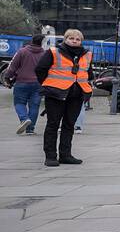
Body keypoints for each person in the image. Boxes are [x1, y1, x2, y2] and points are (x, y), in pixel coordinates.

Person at [35, 29, 93, 167]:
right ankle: (50, 156)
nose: (74, 41)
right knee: (53, 125)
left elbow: (88, 73)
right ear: (65, 39)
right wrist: (48, 84)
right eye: (71, 38)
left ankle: (65, 155)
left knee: (69, 125)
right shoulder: (54, 52)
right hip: (56, 94)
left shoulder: (87, 54)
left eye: (78, 39)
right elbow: (40, 69)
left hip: (76, 94)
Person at [4, 34, 45, 135]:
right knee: (34, 106)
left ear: (32, 41)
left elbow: (13, 66)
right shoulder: (44, 54)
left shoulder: (22, 51)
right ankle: (30, 129)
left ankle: (24, 119)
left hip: (22, 82)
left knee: (19, 103)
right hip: (38, 84)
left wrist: (7, 78)